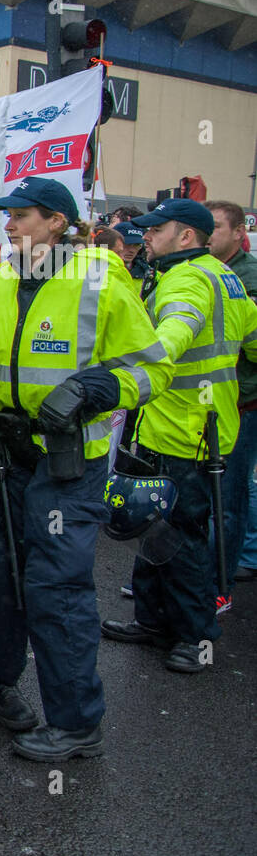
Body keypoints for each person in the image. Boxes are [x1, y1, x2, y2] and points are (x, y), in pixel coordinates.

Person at [0, 177, 171, 760]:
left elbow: (151, 371)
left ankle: (77, 724)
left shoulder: (102, 279)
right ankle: (1, 686)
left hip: (68, 466)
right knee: (1, 576)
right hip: (7, 455)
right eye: (7, 217)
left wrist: (98, 386)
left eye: (23, 216)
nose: (10, 226)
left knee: (57, 588)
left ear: (58, 221)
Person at [103, 199, 257, 672]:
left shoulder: (188, 279)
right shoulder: (223, 276)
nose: (144, 237)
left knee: (182, 536)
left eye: (155, 230)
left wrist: (129, 373)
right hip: (191, 425)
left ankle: (195, 637)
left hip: (185, 431)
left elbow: (174, 335)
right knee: (156, 527)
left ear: (186, 236)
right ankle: (152, 620)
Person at [203, 201, 257, 587]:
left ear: (239, 232)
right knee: (208, 494)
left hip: (242, 400)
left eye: (217, 228)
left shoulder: (247, 276)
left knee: (230, 494)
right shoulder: (204, 271)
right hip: (209, 401)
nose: (210, 235)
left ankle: (221, 580)